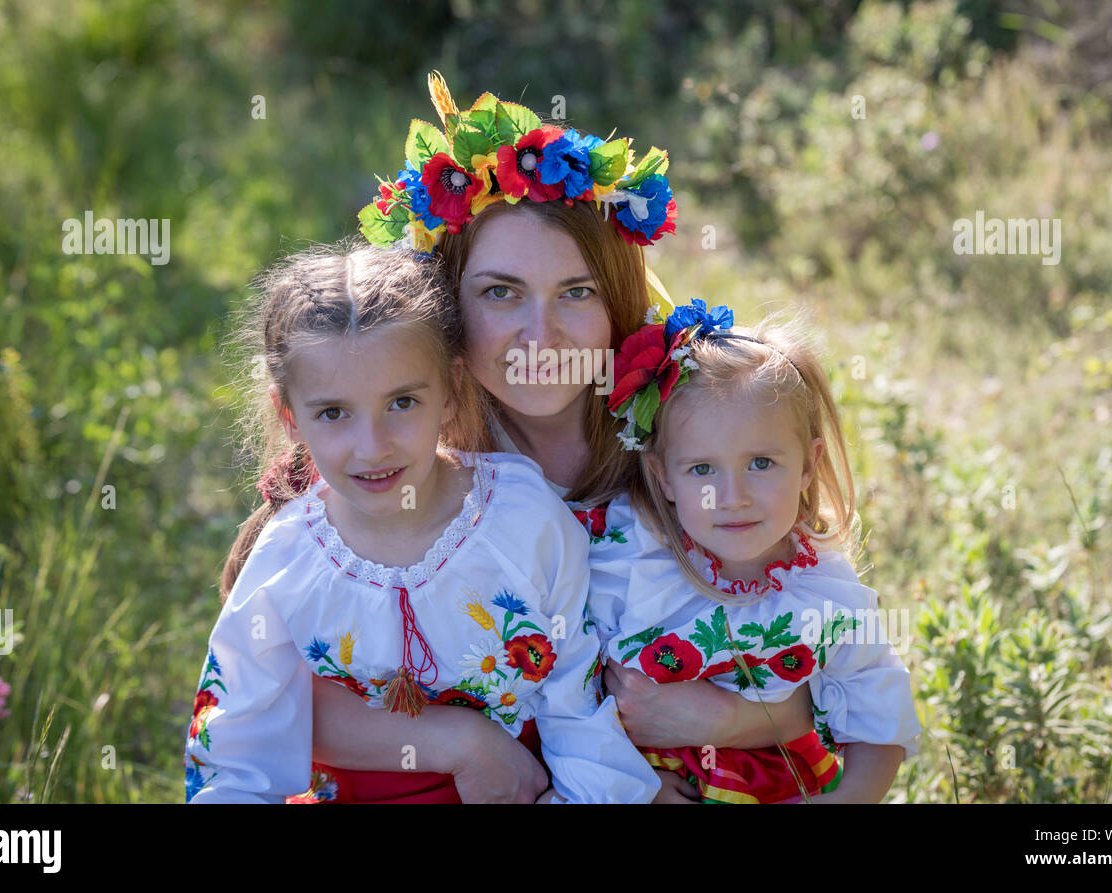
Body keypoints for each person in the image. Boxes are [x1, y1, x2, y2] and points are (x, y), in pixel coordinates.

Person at [297, 71, 822, 802]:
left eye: (576, 292)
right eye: (500, 292)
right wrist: (465, 741)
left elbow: (822, 647)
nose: (539, 335)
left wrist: (732, 717)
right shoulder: (389, 445)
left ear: (618, 299)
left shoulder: (690, 430)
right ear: (446, 302)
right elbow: (271, 684)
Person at [183, 241, 661, 803]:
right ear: (289, 417)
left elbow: (576, 711)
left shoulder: (522, 519)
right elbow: (235, 762)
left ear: (452, 391)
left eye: (403, 402)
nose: (373, 446)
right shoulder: (282, 565)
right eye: (333, 413)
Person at [586, 302, 923, 802]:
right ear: (663, 476)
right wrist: (637, 786)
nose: (733, 496)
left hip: (782, 783)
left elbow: (877, 703)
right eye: (702, 469)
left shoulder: (825, 590)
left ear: (809, 466)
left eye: (761, 463)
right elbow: (574, 689)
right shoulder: (632, 560)